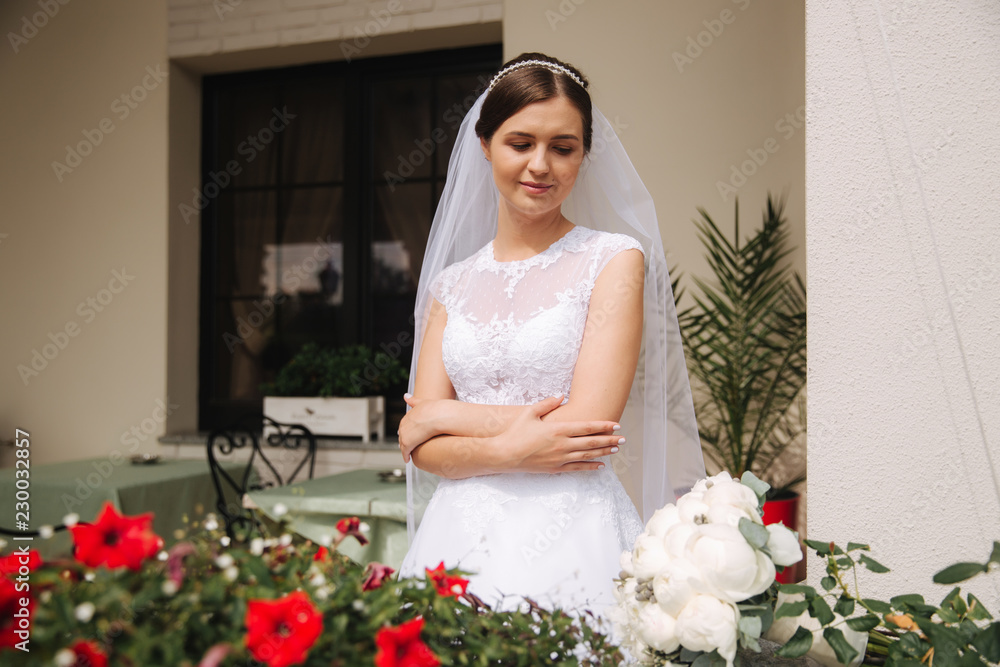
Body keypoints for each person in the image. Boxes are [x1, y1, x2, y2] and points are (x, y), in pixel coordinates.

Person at [396, 53, 705, 617]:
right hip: (455, 538)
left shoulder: (613, 260)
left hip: (572, 530)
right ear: (485, 144)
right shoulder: (450, 285)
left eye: (563, 148)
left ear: (583, 155)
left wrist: (445, 415)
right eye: (520, 143)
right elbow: (423, 451)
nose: (540, 165)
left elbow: (587, 426)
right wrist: (505, 447)